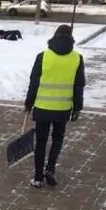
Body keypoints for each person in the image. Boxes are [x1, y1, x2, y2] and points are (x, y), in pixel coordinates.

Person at [24, 24, 85, 188]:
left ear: (54, 36)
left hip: (43, 107)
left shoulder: (43, 56)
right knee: (57, 138)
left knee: (41, 141)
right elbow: (79, 86)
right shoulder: (77, 58)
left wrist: (29, 103)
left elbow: (34, 83)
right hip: (62, 109)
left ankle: (37, 177)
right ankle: (50, 169)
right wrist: (77, 108)